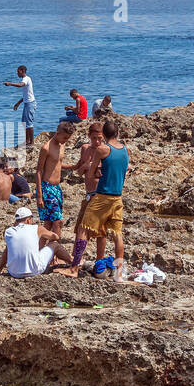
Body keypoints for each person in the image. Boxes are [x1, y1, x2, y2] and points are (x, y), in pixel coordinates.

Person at [58, 120, 130, 280]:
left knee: (83, 228)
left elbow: (90, 174)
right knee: (117, 234)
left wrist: (95, 171)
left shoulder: (102, 150)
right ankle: (119, 274)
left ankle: (74, 268)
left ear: (104, 135)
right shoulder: (125, 150)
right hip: (118, 198)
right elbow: (124, 170)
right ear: (117, 134)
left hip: (102, 196)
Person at [0, 208, 68, 279]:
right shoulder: (37, 228)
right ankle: (73, 262)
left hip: (14, 273)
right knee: (55, 245)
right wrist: (44, 235)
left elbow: (7, 251)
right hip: (34, 271)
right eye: (31, 218)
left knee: (8, 248)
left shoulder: (8, 231)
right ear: (28, 220)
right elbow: (56, 237)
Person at [66, 123, 105, 243]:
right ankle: (77, 256)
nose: (97, 141)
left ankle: (91, 257)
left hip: (100, 195)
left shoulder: (105, 150)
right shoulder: (85, 149)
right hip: (88, 194)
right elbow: (79, 172)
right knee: (80, 228)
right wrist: (86, 166)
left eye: (100, 138)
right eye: (94, 138)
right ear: (89, 136)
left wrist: (95, 168)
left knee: (99, 231)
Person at [35, 121, 74, 236]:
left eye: (68, 138)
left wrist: (74, 166)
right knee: (57, 222)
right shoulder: (46, 148)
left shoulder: (62, 145)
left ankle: (40, 250)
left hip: (57, 188)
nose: (66, 140)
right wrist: (39, 195)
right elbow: (38, 171)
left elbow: (57, 164)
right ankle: (56, 251)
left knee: (48, 223)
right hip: (47, 188)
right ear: (57, 133)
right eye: (65, 137)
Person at [5, 65, 37, 147]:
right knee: (24, 123)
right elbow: (26, 95)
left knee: (29, 123)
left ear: (22, 71)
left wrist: (10, 83)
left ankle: (32, 142)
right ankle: (27, 140)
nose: (17, 73)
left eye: (18, 71)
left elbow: (20, 85)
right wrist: (18, 103)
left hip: (30, 104)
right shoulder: (25, 79)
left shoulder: (26, 79)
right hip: (27, 103)